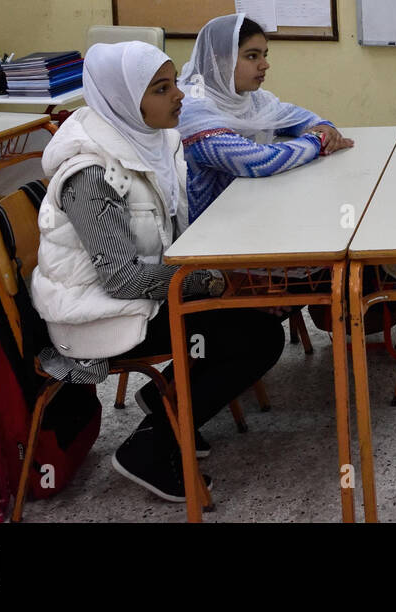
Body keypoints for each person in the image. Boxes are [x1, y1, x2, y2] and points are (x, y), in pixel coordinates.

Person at [31, 41, 285, 500]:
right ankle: (148, 449)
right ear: (125, 100)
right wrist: (205, 282)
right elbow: (120, 278)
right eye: (162, 89)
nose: (179, 96)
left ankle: (164, 403)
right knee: (257, 337)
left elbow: (171, 230)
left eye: (173, 84)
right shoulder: (90, 172)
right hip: (100, 315)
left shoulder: (151, 139)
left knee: (256, 308)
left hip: (140, 296)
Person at [177, 14, 353, 222]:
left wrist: (322, 126)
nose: (265, 65)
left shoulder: (250, 99)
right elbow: (259, 160)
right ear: (219, 60)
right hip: (203, 233)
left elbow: (295, 116)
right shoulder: (190, 107)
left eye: (265, 55)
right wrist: (318, 140)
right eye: (252, 56)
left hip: (246, 213)